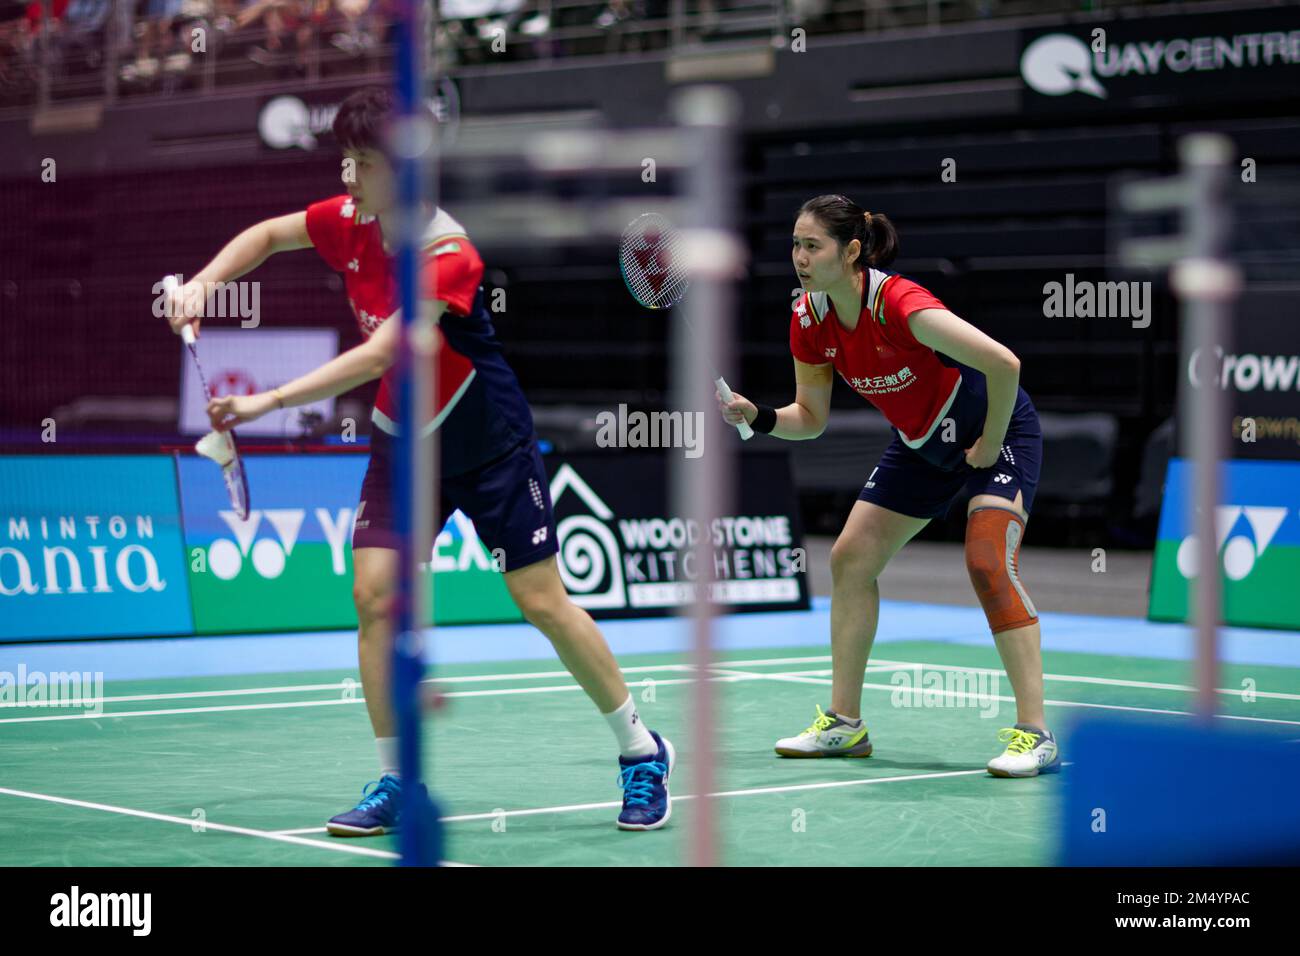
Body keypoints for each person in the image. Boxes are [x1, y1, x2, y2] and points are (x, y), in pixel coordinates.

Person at [166, 86, 675, 833]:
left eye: (361, 162)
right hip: (404, 440)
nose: (346, 176)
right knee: (372, 597)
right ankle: (399, 779)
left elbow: (382, 349)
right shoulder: (350, 222)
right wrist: (207, 284)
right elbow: (271, 235)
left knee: (540, 601)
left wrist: (266, 403)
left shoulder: (446, 252)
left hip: (487, 442)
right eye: (344, 159)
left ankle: (640, 751)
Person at [718, 194, 1059, 778]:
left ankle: (1036, 734)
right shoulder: (809, 317)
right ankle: (844, 726)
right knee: (851, 560)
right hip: (923, 443)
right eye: (795, 244)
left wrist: (991, 441)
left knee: (986, 561)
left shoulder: (900, 305)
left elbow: (1004, 364)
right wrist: (761, 417)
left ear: (851, 251)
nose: (799, 257)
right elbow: (812, 417)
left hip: (996, 429)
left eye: (812, 245)